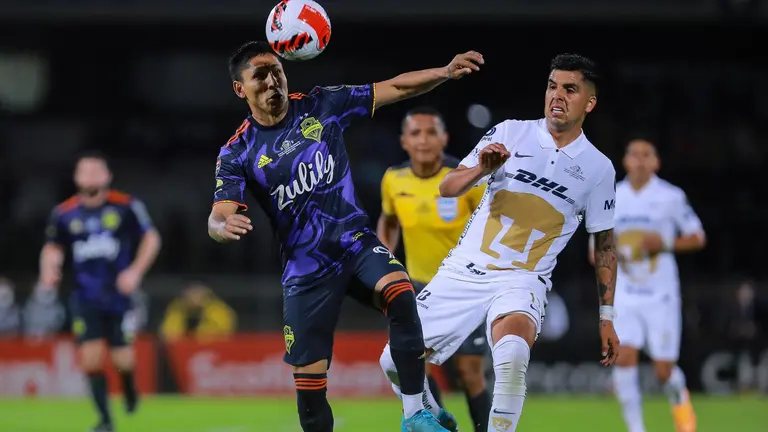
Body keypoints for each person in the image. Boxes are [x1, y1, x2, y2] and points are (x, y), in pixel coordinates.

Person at [208, 41, 482, 432]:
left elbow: (395, 89)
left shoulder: (322, 105)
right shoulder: (237, 152)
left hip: (354, 243)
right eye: (260, 76)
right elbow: (218, 215)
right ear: (241, 89)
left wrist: (444, 71)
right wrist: (222, 228)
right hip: (306, 271)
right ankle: (423, 408)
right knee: (310, 393)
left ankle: (414, 414)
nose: (273, 82)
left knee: (402, 294)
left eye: (277, 71)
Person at [378, 53, 621, 432]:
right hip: (464, 271)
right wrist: (482, 169)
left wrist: (607, 317)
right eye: (552, 86)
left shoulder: (598, 168)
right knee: (393, 361)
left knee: (511, 357)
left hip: (523, 280)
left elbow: (605, 244)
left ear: (589, 102)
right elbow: (448, 187)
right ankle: (430, 412)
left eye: (570, 89)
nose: (557, 95)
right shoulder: (511, 132)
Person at [377, 107, 491, 432]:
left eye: (431, 132)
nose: (423, 140)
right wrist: (382, 262)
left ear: (444, 139)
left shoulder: (462, 177)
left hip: (464, 288)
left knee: (470, 372)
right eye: (416, 133)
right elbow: (388, 223)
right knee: (416, 371)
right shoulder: (393, 179)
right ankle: (439, 423)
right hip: (416, 287)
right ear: (404, 141)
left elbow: (488, 224)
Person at [39, 151, 162, 432]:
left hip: (119, 295)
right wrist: (49, 269)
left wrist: (134, 272)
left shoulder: (126, 206)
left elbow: (152, 239)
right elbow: (52, 248)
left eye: (97, 171)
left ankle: (129, 389)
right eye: (86, 171)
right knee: (91, 358)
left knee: (123, 361)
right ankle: (105, 420)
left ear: (107, 176)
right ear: (76, 177)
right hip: (84, 296)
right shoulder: (64, 213)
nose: (91, 176)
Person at [589, 138, 705, 432]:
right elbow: (594, 252)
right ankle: (636, 429)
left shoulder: (671, 196)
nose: (640, 160)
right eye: (634, 154)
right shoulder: (612, 196)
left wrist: (663, 243)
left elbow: (697, 237)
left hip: (661, 296)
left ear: (656, 162)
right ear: (625, 161)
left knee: (664, 371)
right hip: (625, 294)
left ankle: (683, 412)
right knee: (624, 358)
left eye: (646, 155)